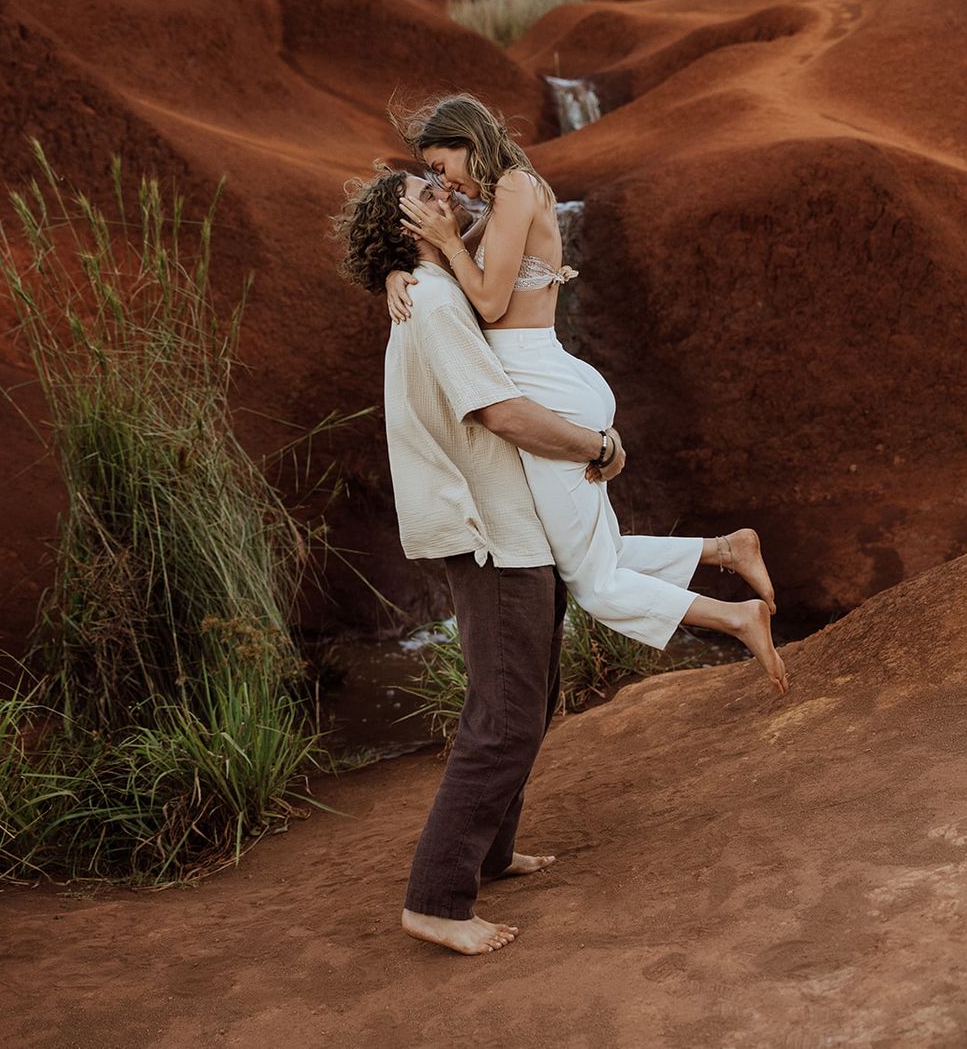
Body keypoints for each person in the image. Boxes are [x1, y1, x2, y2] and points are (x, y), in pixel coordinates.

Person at [386, 92, 789, 695]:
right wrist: (397, 270)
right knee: (593, 550)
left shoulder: (517, 188)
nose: (444, 183)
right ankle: (726, 548)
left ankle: (736, 617)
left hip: (538, 385)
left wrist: (446, 241)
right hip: (546, 374)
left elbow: (490, 302)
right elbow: (452, 276)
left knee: (592, 584)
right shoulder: (499, 201)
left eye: (442, 167)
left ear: (468, 141)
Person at [334, 165, 630, 957]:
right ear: (405, 232)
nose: (445, 195)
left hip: (514, 530)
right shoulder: (431, 302)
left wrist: (397, 266)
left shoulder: (434, 292)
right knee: (503, 717)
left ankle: (491, 853)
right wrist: (597, 446)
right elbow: (499, 411)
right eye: (424, 195)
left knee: (527, 703)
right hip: (492, 536)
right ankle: (435, 899)